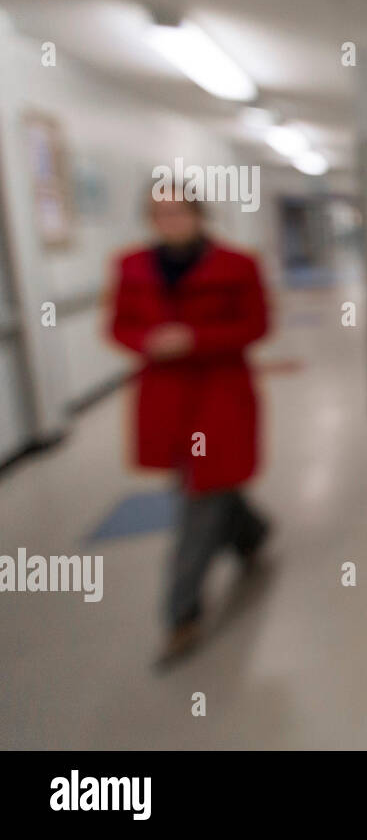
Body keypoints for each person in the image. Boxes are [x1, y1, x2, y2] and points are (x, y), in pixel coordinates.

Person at [107, 182, 272, 666]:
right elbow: (117, 325)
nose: (170, 220)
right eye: (159, 212)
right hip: (164, 398)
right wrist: (147, 341)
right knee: (206, 484)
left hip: (218, 396)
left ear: (200, 214)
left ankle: (181, 615)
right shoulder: (131, 267)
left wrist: (195, 338)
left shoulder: (239, 265)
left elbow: (257, 326)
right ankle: (253, 533)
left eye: (178, 210)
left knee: (198, 501)